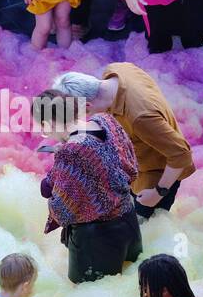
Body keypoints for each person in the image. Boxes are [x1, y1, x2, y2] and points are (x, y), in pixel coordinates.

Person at [54, 65, 195, 221]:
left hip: (157, 176)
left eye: (76, 115)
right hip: (136, 161)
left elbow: (182, 154)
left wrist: (158, 192)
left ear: (87, 106)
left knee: (144, 233)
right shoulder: (116, 71)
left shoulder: (139, 117)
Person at [33, 86, 142, 284]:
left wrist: (59, 166)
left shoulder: (71, 150)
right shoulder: (107, 121)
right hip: (128, 221)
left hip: (97, 240)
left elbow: (62, 209)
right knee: (127, 284)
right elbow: (124, 167)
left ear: (47, 122)